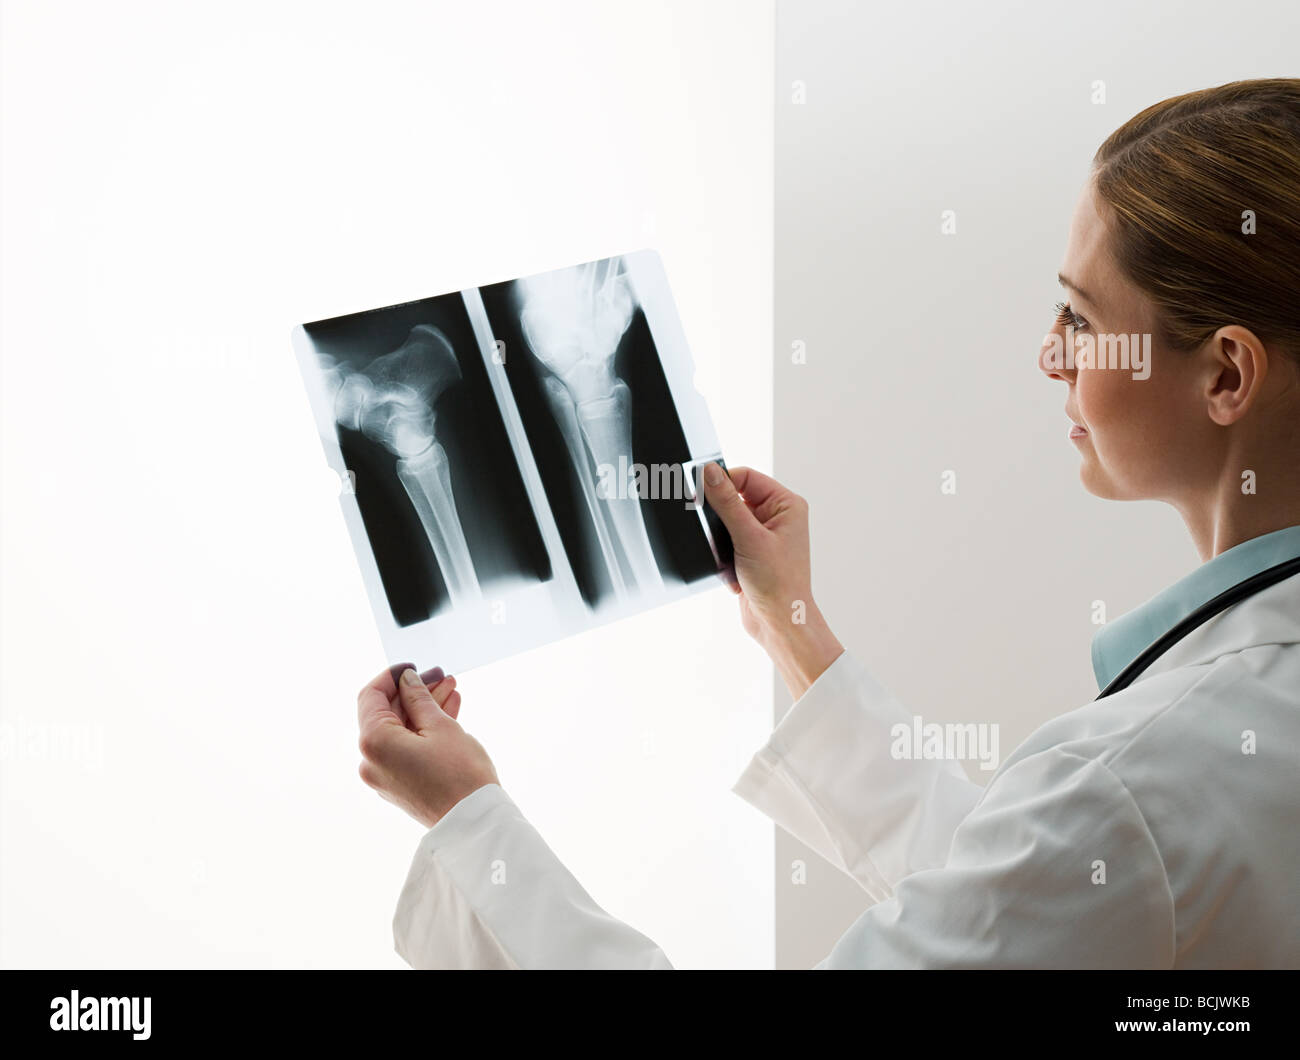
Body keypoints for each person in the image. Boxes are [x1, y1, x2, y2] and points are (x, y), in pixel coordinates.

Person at [356, 79, 1300, 968]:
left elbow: (1071, 864)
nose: (1049, 355)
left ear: (1224, 375)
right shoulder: (1201, 747)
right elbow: (1042, 905)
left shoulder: (1138, 780)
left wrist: (471, 826)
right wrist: (793, 627)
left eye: (1081, 318)